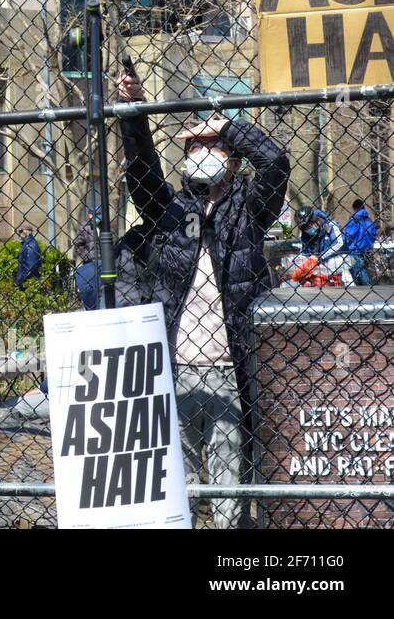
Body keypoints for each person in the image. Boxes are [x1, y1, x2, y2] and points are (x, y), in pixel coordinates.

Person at [117, 71, 288, 528]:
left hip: (229, 371)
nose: (200, 152)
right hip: (176, 371)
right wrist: (133, 111)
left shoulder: (249, 208)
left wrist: (225, 128)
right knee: (182, 492)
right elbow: (141, 173)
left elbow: (275, 162)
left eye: (210, 147)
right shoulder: (172, 210)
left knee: (231, 494)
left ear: (232, 161)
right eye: (193, 147)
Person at [343, 199, 378, 287]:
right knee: (365, 271)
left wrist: (345, 245)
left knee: (360, 273)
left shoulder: (355, 220)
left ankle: (368, 290)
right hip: (367, 250)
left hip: (355, 250)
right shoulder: (369, 220)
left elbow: (348, 235)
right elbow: (374, 234)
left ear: (354, 208)